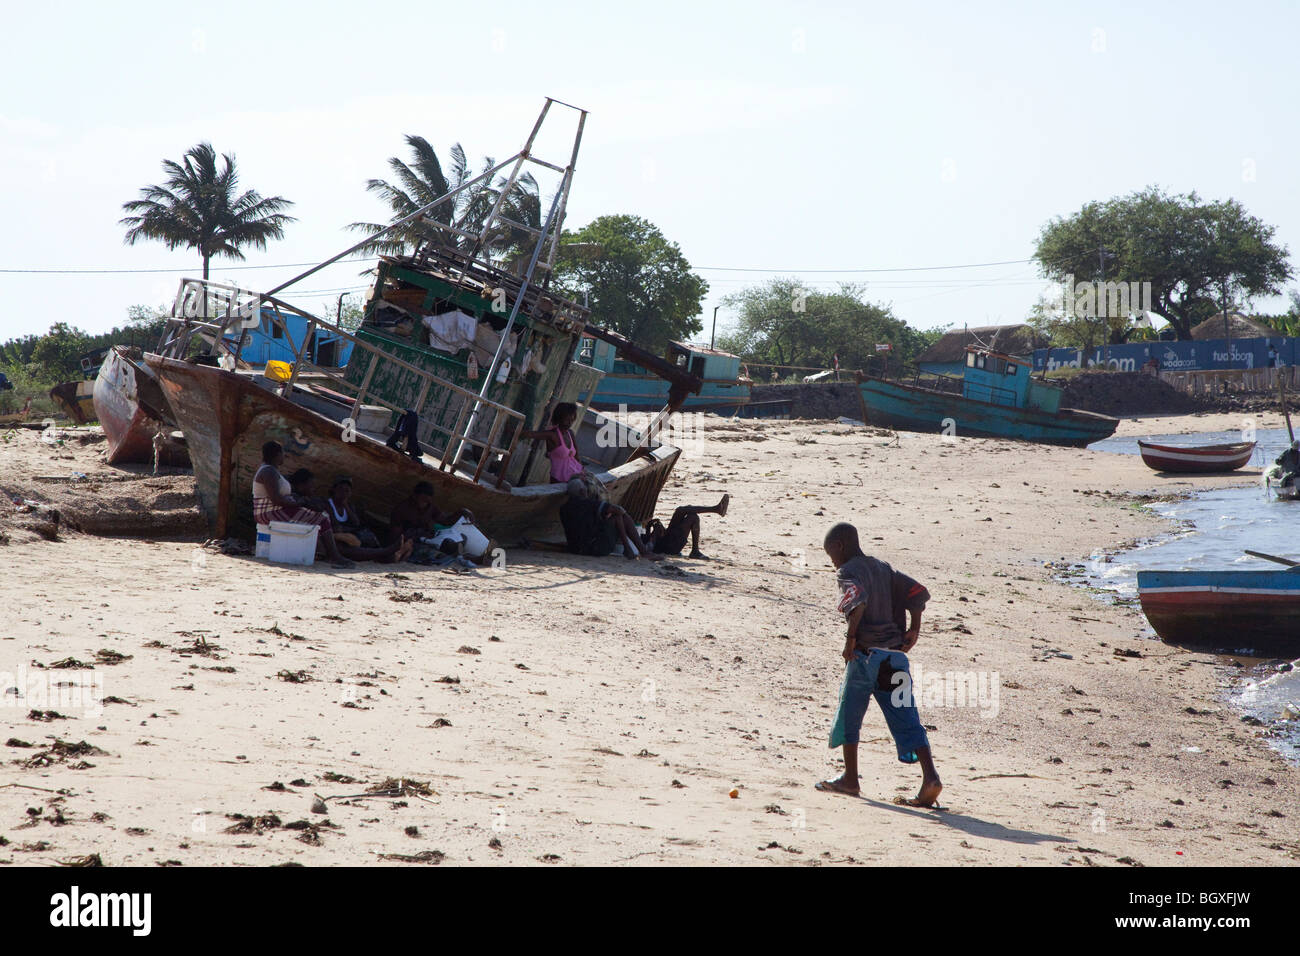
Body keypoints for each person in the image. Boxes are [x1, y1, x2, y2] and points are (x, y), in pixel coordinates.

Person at [815, 522, 942, 807]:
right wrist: (914, 629)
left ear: (840, 546)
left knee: (850, 713)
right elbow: (918, 593)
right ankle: (930, 777)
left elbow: (857, 602)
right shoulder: (884, 568)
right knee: (907, 717)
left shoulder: (848, 571)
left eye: (830, 554)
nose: (832, 561)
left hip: (865, 657)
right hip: (895, 657)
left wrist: (849, 640)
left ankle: (850, 779)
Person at [253, 441, 353, 568]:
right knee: (321, 519)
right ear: (277, 454)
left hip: (273, 511)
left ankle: (327, 553)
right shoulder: (268, 472)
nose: (284, 456)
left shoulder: (271, 470)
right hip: (269, 513)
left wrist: (298, 501)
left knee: (320, 514)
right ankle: (334, 556)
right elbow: (276, 500)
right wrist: (298, 503)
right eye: (282, 454)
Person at [559, 478, 660, 560]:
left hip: (574, 548)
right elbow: (617, 510)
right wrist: (623, 515)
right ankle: (637, 550)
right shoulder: (589, 503)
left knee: (614, 517)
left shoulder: (563, 509)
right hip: (594, 549)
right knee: (619, 516)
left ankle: (631, 549)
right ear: (582, 491)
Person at [325, 476, 409, 563]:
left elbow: (356, 523)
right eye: (340, 489)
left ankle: (385, 554)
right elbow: (333, 525)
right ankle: (386, 552)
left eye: (347, 490)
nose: (344, 493)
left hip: (348, 537)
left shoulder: (349, 506)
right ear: (333, 490)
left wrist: (346, 506)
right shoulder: (327, 504)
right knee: (346, 545)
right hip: (334, 536)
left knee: (360, 541)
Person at [387, 480, 476, 545]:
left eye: (427, 502)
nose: (424, 504)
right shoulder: (401, 510)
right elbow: (395, 537)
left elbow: (446, 521)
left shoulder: (430, 507)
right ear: (414, 496)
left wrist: (463, 511)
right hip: (409, 543)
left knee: (459, 539)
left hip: (428, 540)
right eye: (422, 500)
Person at [642, 494, 730, 559]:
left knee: (681, 510)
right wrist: (656, 532)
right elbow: (650, 547)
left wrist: (653, 527)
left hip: (666, 540)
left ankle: (715, 509)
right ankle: (715, 509)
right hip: (669, 547)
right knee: (693, 517)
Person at [521, 402, 585, 484]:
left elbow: (577, 456)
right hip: (558, 479)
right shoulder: (552, 434)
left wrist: (583, 471)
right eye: (567, 420)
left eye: (572, 420)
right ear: (559, 418)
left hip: (575, 475)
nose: (570, 423)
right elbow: (530, 434)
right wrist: (512, 430)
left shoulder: (570, 433)